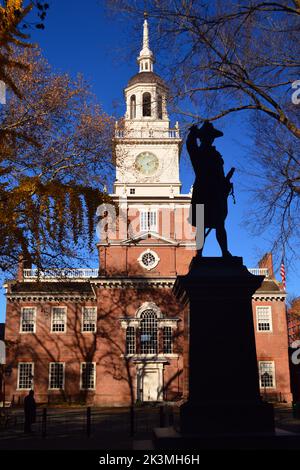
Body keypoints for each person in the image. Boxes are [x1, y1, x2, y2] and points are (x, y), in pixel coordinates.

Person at [186, 121, 234, 257]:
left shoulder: (216, 155)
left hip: (216, 192)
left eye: (211, 136)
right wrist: (192, 134)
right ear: (201, 138)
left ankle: (225, 252)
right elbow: (190, 145)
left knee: (220, 224)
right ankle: (199, 254)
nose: (209, 138)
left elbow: (220, 175)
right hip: (202, 191)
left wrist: (225, 183)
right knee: (201, 226)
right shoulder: (198, 153)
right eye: (206, 136)